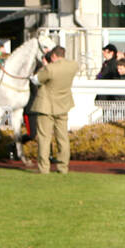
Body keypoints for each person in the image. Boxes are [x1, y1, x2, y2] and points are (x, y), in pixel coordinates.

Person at [29, 46, 80, 175]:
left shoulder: (50, 68)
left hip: (46, 106)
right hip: (63, 105)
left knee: (44, 138)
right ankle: (63, 167)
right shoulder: (73, 65)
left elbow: (36, 80)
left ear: (53, 56)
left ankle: (44, 168)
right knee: (63, 138)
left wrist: (44, 65)